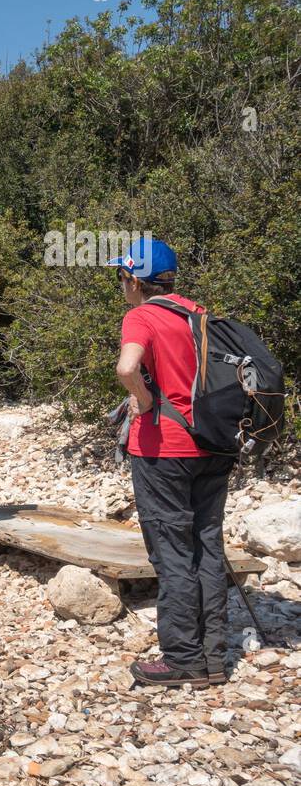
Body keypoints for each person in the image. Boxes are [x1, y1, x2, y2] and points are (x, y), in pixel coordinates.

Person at [110, 238, 234, 689]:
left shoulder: (140, 315)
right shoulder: (198, 312)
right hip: (214, 445)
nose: (120, 286)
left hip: (164, 448)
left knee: (173, 551)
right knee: (207, 545)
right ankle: (214, 658)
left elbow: (128, 368)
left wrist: (143, 402)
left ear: (135, 280)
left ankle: (182, 658)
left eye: (121, 277)